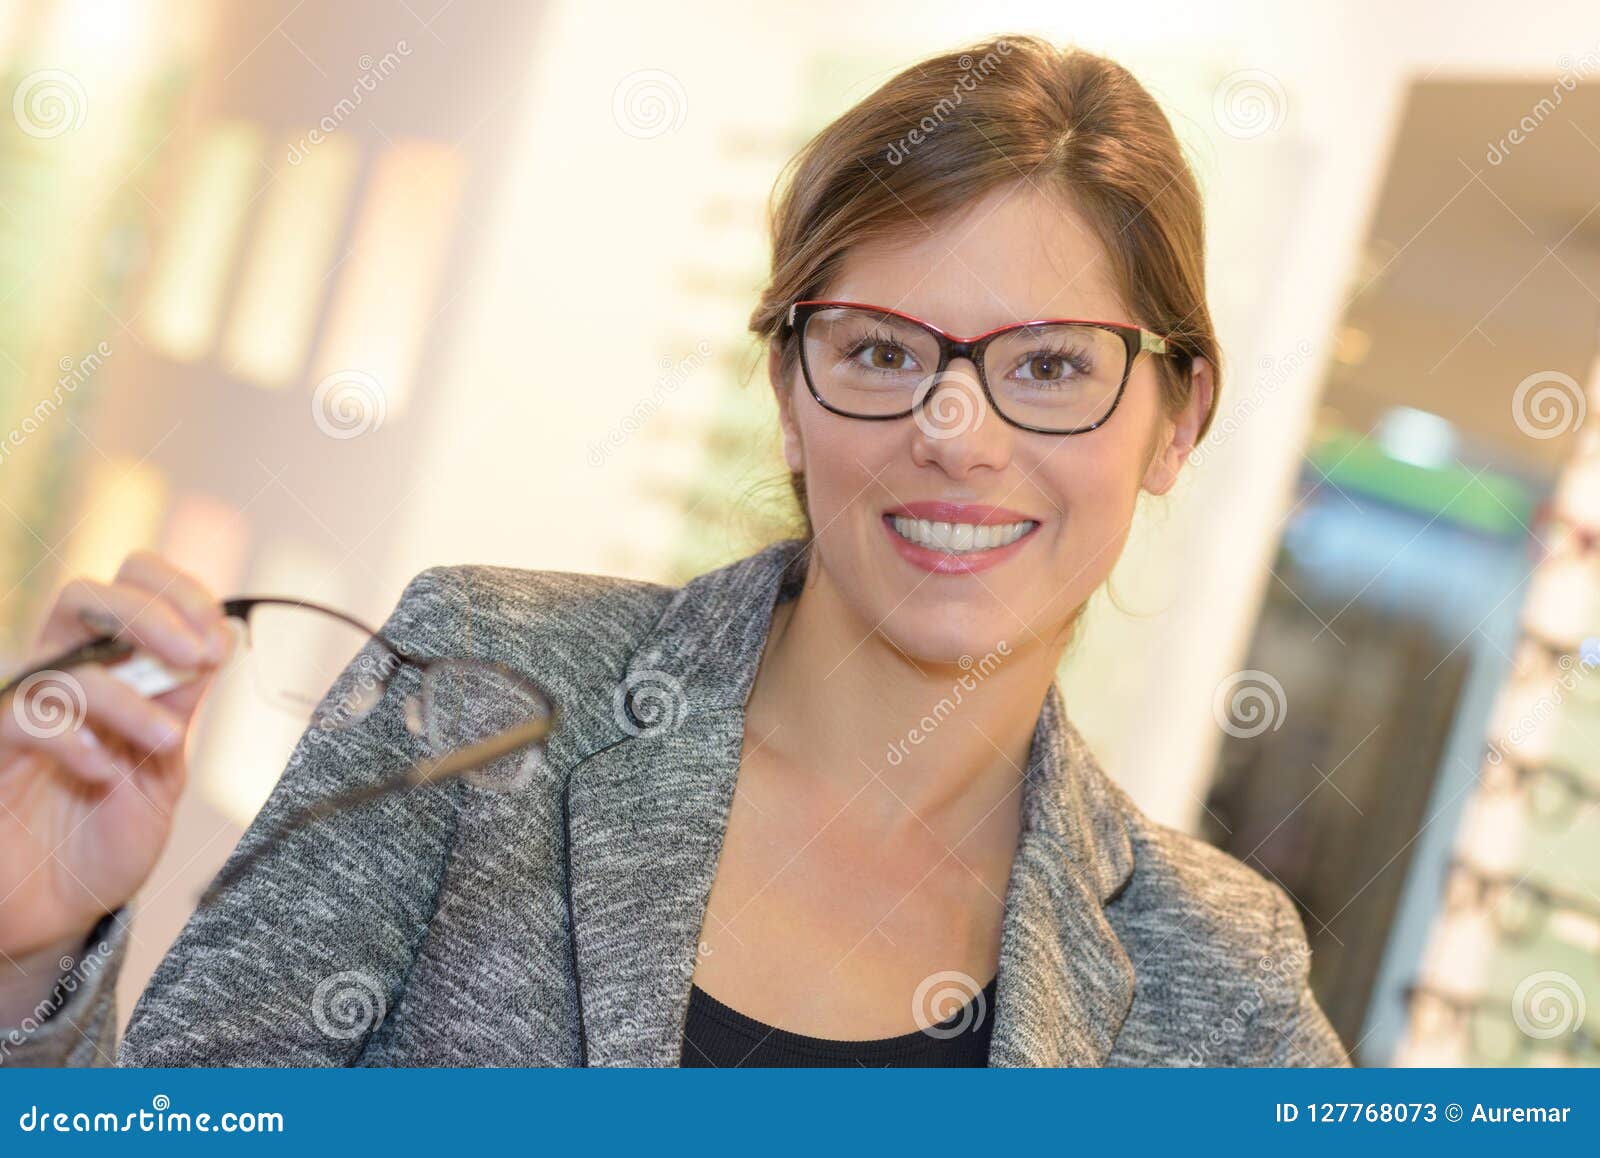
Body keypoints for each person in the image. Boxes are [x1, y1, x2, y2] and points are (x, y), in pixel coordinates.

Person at [0, 35, 1348, 1067]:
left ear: (1179, 421)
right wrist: (27, 961)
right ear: (786, 387)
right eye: (881, 350)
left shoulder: (1222, 983)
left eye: (1051, 366)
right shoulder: (478, 689)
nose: (957, 432)